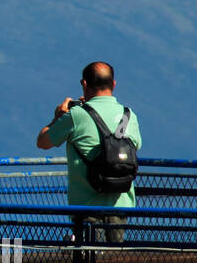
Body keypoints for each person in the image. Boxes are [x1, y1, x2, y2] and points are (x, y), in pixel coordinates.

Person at [36, 60, 142, 244]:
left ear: (84, 84)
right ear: (113, 84)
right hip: (121, 204)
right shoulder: (129, 115)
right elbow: (136, 146)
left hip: (87, 206)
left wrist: (57, 118)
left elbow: (43, 142)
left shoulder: (77, 115)